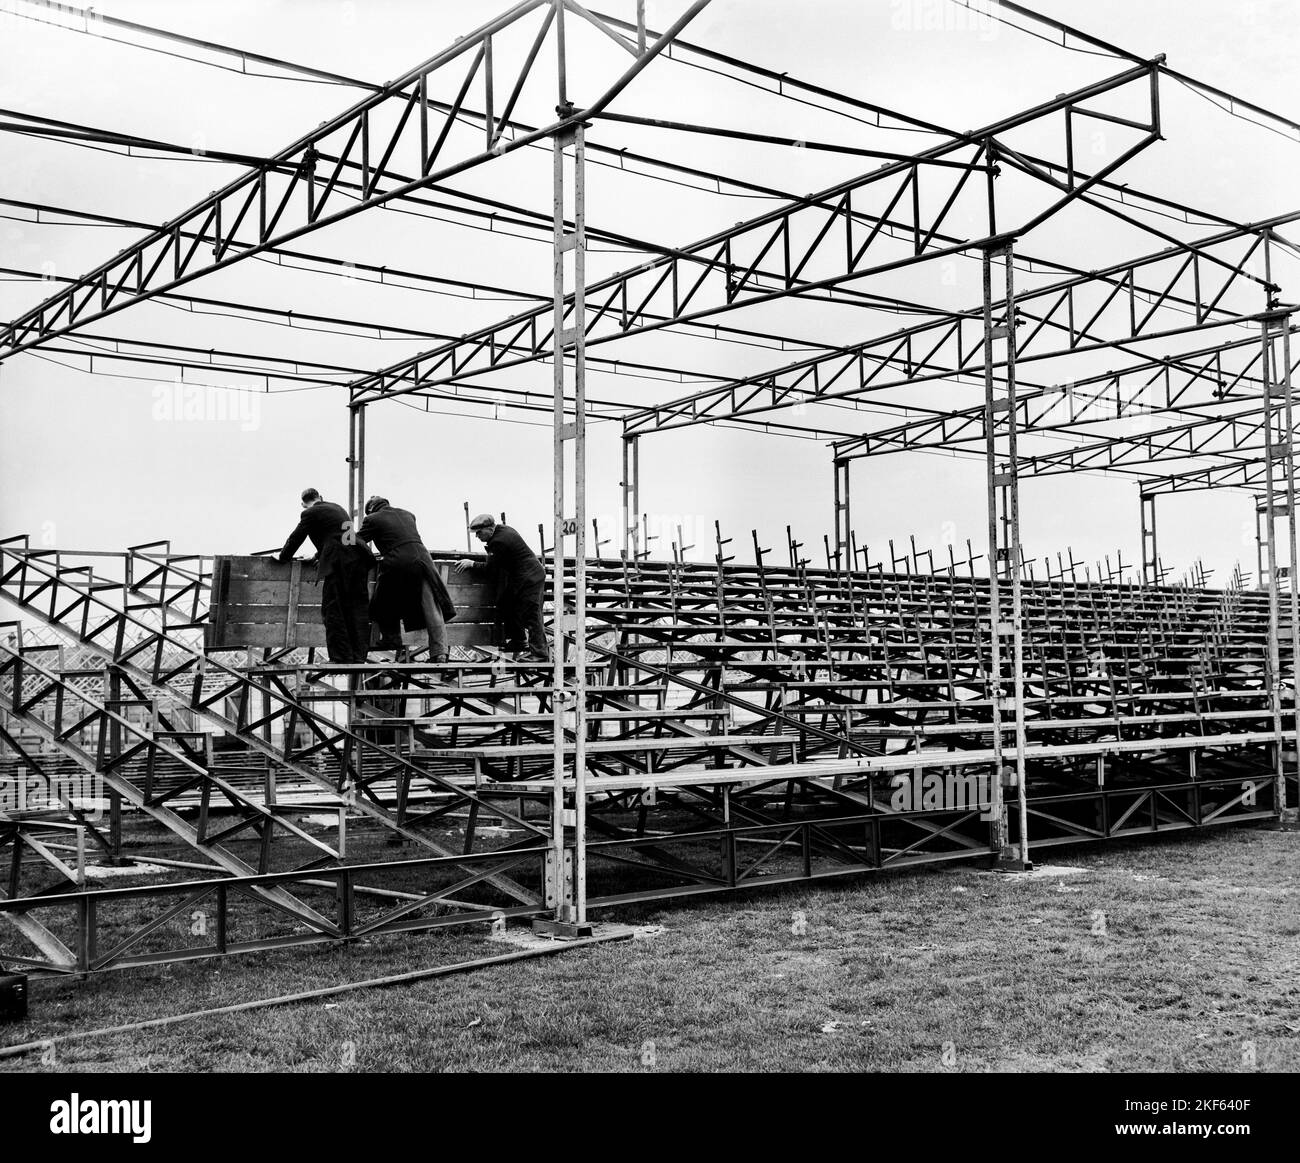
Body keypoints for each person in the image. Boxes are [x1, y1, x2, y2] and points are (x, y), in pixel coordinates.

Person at [278, 487, 373, 663]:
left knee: (333, 609)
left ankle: (340, 657)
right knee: (356, 609)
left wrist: (283, 557)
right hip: (358, 559)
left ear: (303, 505)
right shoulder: (337, 508)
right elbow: (343, 537)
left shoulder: (309, 513)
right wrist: (319, 555)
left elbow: (296, 538)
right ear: (321, 497)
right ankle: (359, 656)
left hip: (339, 564)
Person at [357, 496, 456, 662]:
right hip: (423, 560)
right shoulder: (408, 514)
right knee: (431, 607)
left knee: (381, 600)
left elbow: (356, 540)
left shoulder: (372, 519)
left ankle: (392, 638)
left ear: (371, 509)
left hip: (397, 562)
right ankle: (439, 653)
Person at [454, 514, 548, 661]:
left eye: (479, 532)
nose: (477, 536)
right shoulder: (503, 530)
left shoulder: (498, 541)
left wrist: (472, 564)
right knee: (507, 603)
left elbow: (491, 570)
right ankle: (518, 641)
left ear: (489, 529)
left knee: (532, 614)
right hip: (522, 576)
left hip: (529, 578)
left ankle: (540, 654)